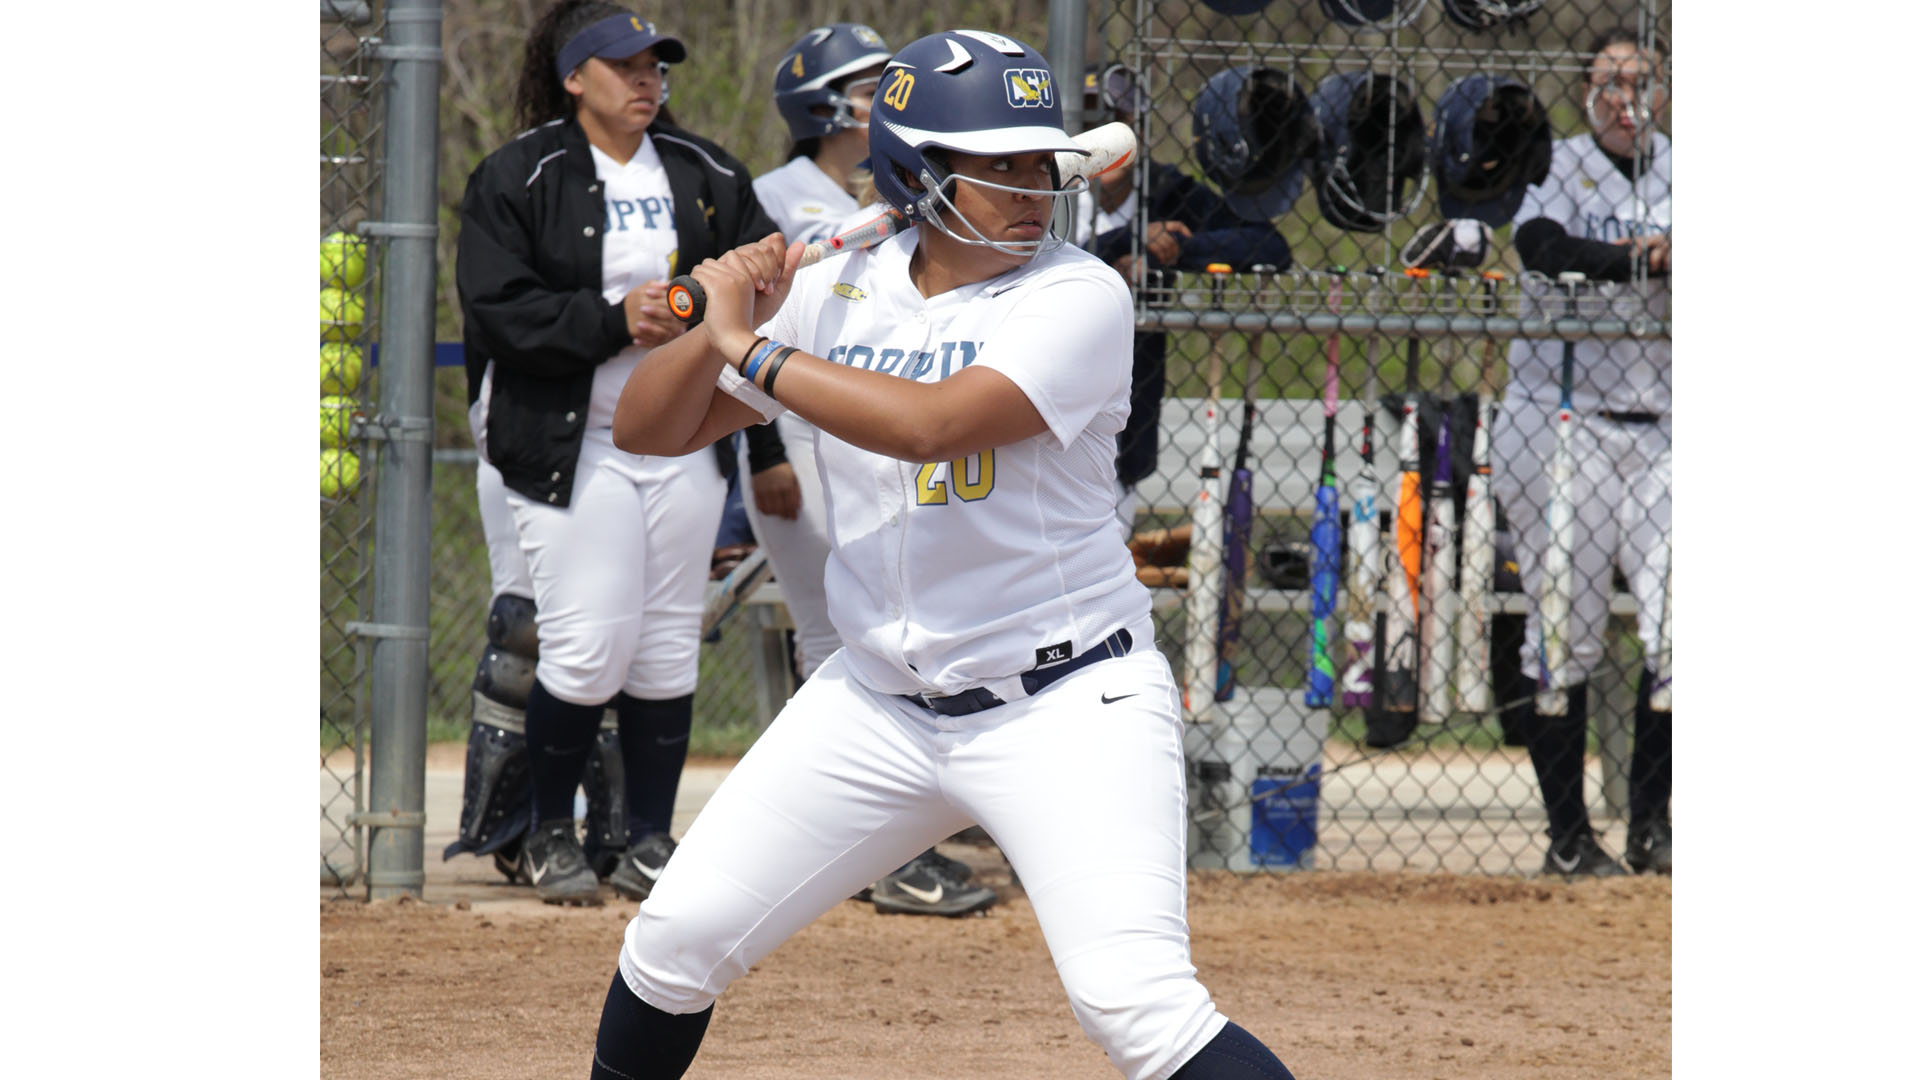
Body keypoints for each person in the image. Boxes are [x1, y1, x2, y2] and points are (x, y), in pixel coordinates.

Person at [585, 30, 1301, 1080]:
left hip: (1067, 703)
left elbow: (929, 425)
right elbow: (649, 429)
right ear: (915, 172)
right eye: (997, 166)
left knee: (1137, 1006)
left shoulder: (1078, 295)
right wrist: (719, 311)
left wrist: (748, 343)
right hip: (877, 701)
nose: (1030, 191)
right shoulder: (841, 285)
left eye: (1037, 163)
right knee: (673, 943)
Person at [454, 0, 780, 904]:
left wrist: (771, 445)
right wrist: (612, 319)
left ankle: (644, 839)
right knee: (589, 644)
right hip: (569, 444)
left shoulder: (707, 171)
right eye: (625, 65)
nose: (647, 80)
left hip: (676, 442)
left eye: (656, 65)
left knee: (668, 645)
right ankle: (550, 833)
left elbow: (766, 311)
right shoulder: (521, 174)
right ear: (574, 78)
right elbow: (496, 310)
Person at [746, 22, 999, 919]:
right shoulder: (777, 192)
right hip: (798, 436)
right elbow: (756, 334)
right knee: (835, 640)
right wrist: (764, 449)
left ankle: (902, 831)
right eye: (858, 82)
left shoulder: (890, 193)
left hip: (877, 430)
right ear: (816, 101)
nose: (875, 94)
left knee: (893, 627)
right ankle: (864, 854)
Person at [1492, 26, 1671, 878]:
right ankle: (1570, 839)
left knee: (1680, 630)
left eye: (1640, 80)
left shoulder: (1685, 168)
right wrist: (1647, 259)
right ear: (1585, 91)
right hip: (1559, 419)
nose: (1623, 96)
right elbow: (1544, 248)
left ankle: (1652, 827)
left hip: (1670, 422)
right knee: (1565, 636)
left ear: (1664, 90)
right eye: (1607, 81)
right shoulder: (1555, 162)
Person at [1072, 62, 1293, 531]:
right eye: (1087, 127)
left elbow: (1269, 245)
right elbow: (1050, 260)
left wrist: (1170, 250)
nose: (1099, 141)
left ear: (1140, 132)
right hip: (1052, 395)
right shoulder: (1051, 193)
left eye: (1116, 126)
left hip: (1125, 419)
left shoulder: (1165, 190)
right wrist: (1128, 243)